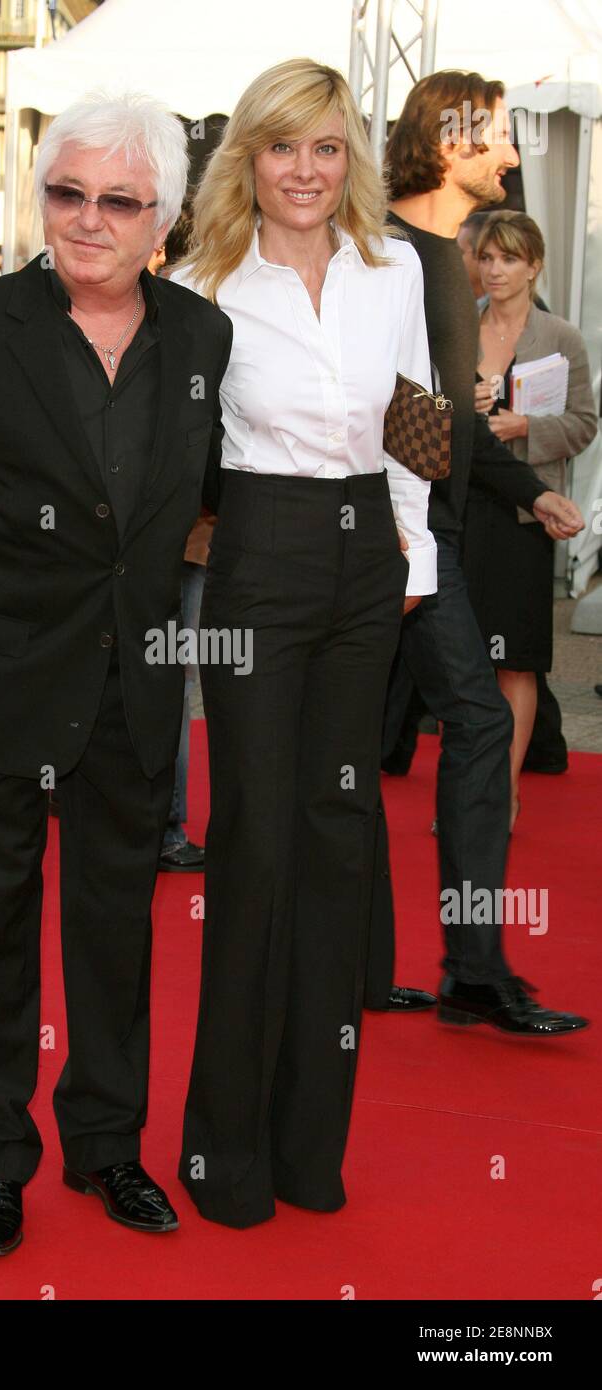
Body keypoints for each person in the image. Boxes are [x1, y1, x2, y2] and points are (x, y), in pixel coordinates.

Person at [0, 90, 233, 1254]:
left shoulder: (200, 339)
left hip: (134, 689)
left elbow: (200, 492)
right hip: (4, 678)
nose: (86, 219)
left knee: (116, 927)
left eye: (117, 200)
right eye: (66, 193)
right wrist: (17, 572)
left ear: (160, 221)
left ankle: (107, 1146)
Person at [171, 58, 436, 1229]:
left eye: (326, 148)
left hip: (365, 558)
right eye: (283, 146)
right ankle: (223, 1155)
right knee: (256, 841)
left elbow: (417, 420)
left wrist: (414, 561)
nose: (305, 170)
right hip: (261, 553)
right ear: (249, 157)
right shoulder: (203, 280)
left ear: (352, 159)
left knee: (340, 841)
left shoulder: (392, 271)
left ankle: (306, 1149)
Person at [364, 70, 588, 1035]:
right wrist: (415, 542)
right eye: (495, 136)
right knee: (446, 729)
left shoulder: (436, 260)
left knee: (452, 728)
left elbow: (448, 422)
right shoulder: (395, 261)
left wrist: (528, 488)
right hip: (393, 540)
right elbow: (398, 421)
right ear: (448, 143)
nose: (508, 152)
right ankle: (459, 969)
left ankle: (454, 967)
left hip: (425, 536)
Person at [463, 210, 597, 825]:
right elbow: (418, 403)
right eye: (487, 257)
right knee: (466, 660)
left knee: (515, 659)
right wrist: (457, 403)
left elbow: (583, 425)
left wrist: (525, 426)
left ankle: (501, 793)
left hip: (525, 514)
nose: (494, 270)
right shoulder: (457, 328)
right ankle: (468, 790)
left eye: (509, 259)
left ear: (533, 266)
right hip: (459, 508)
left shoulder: (561, 338)